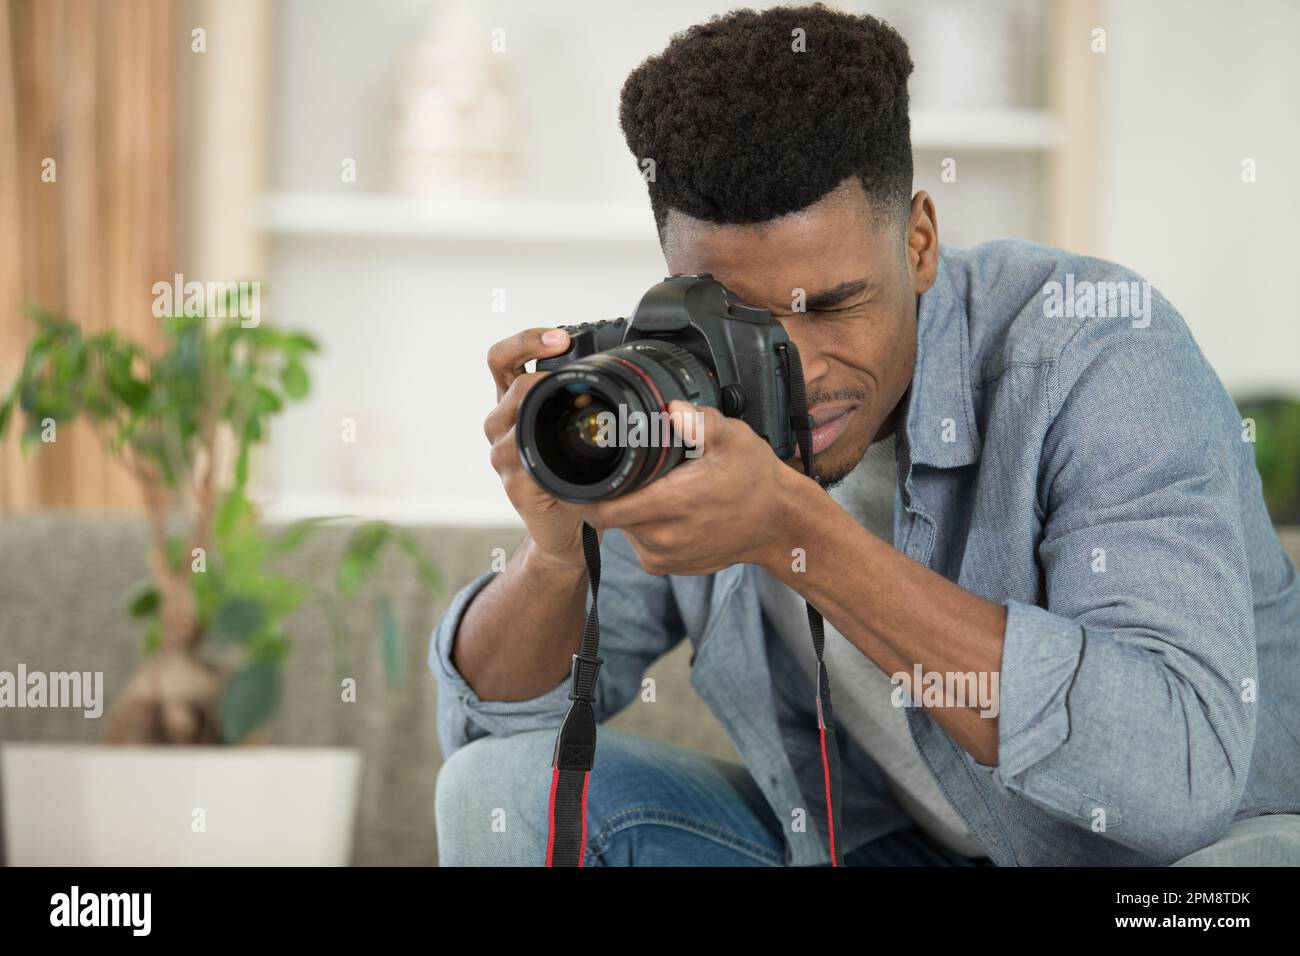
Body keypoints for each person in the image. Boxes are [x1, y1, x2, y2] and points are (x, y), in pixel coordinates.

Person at [430, 4, 1300, 866]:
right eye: (742, 317)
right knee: (500, 790)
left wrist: (796, 535)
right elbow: (487, 727)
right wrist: (553, 554)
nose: (799, 368)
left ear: (919, 240)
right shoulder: (677, 393)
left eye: (837, 305)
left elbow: (1179, 780)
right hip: (891, 849)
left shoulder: (1099, 348)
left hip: (1168, 863)